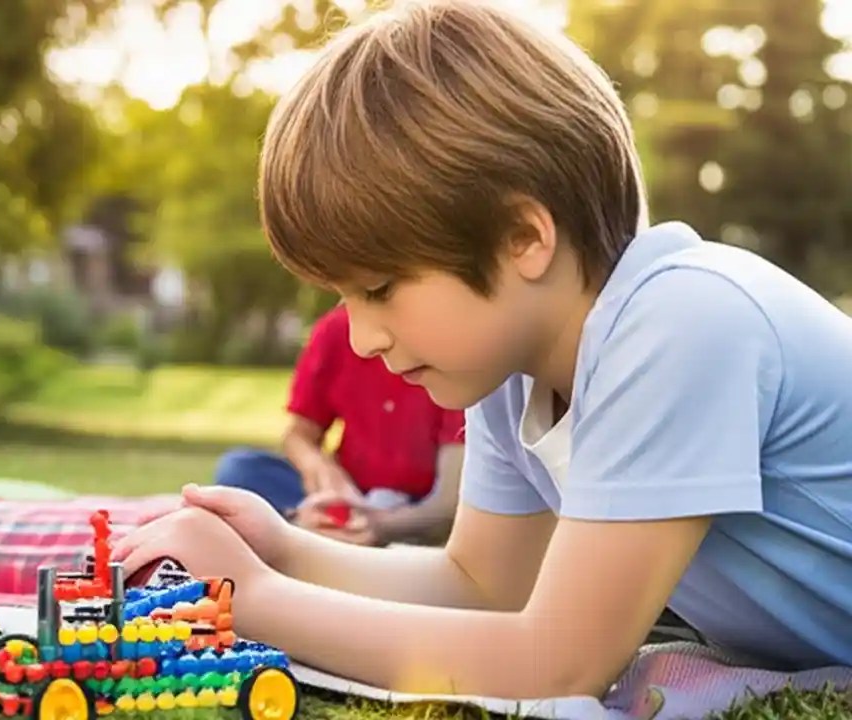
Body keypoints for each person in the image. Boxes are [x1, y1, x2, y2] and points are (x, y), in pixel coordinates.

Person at [114, 0, 852, 699]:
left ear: (524, 238)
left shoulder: (682, 322)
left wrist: (256, 600)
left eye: (379, 288)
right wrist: (285, 553)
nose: (363, 338)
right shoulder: (511, 370)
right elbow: (485, 588)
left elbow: (558, 664)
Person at [214, 304, 464, 546]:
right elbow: (299, 435)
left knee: (453, 511)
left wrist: (377, 526)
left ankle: (314, 531)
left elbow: (447, 502)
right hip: (348, 493)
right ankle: (320, 527)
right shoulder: (337, 329)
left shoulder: (449, 347)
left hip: (414, 505)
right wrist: (320, 469)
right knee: (240, 468)